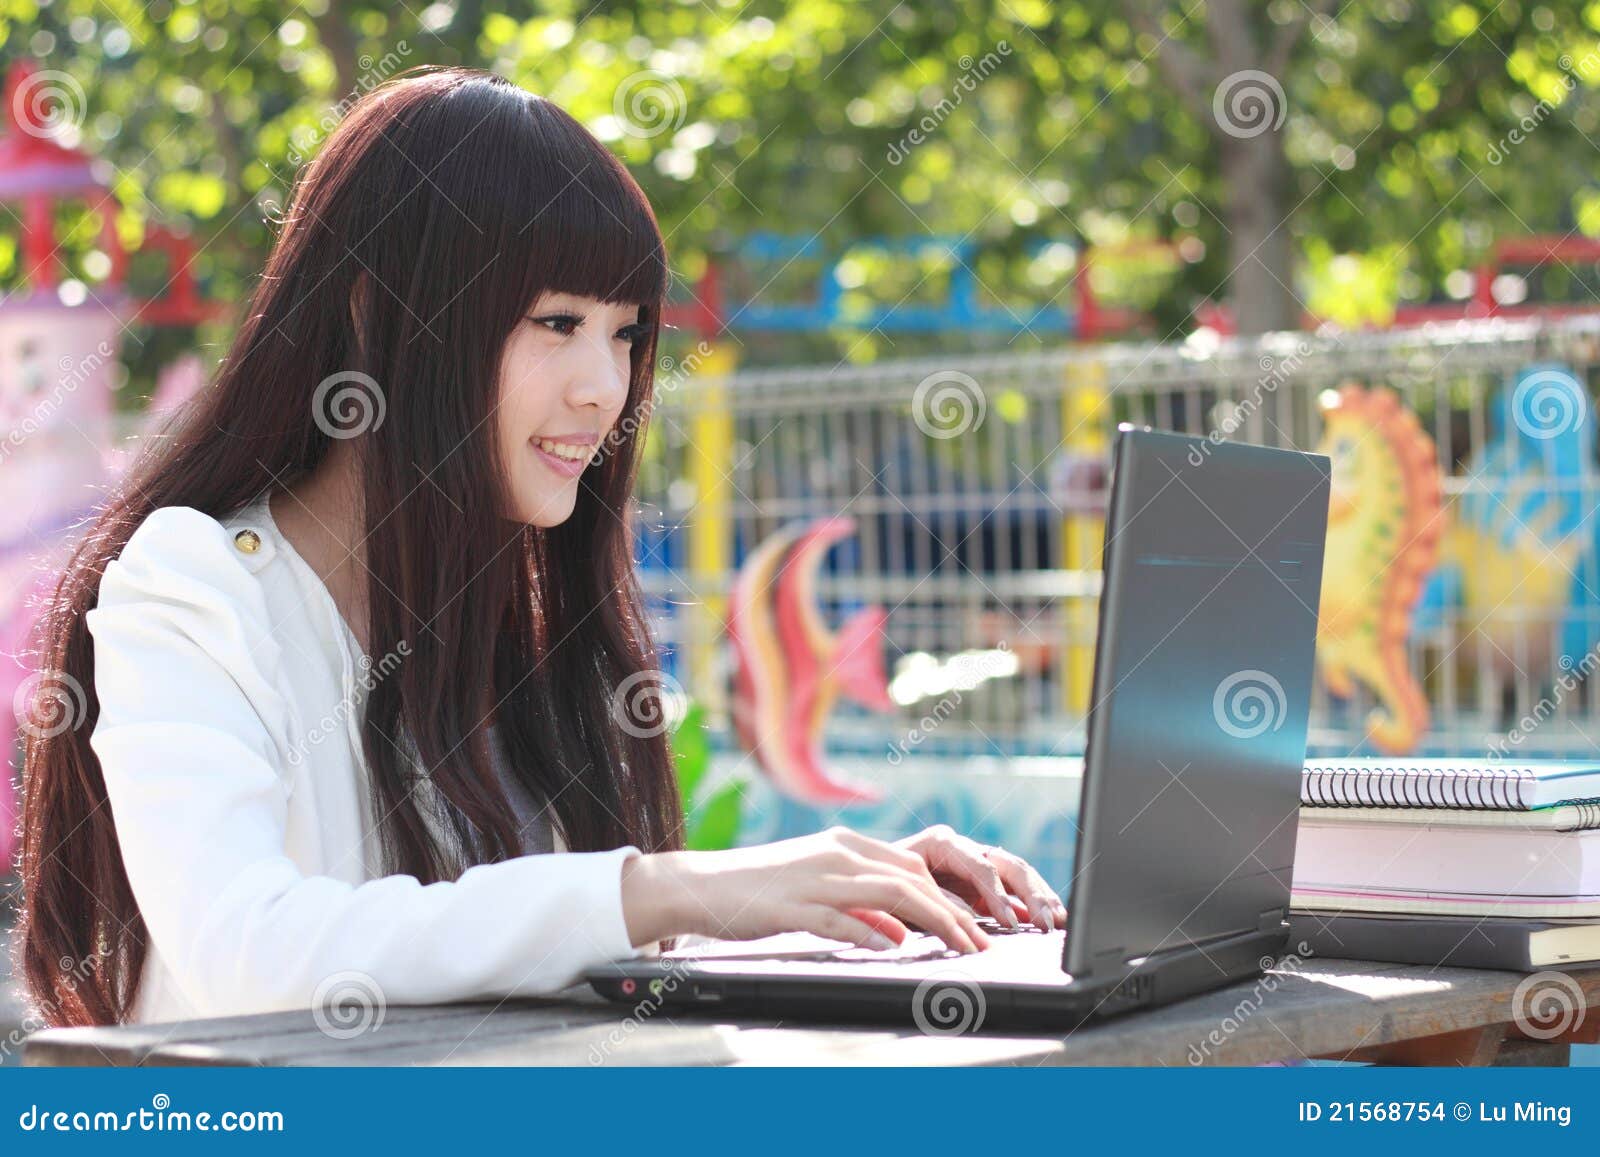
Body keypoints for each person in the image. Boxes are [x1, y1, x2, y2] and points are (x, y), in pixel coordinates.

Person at [16, 66, 1065, 1028]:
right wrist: (669, 887)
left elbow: (525, 951)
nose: (605, 388)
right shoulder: (193, 585)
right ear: (378, 314)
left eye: (626, 332)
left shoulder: (500, 612)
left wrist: (848, 899)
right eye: (558, 322)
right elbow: (249, 952)